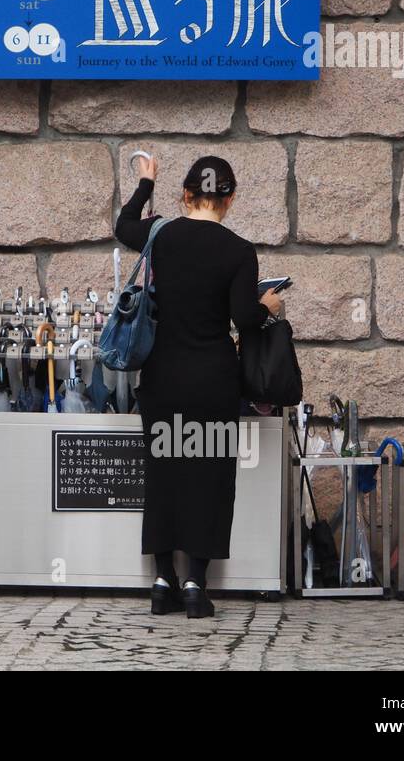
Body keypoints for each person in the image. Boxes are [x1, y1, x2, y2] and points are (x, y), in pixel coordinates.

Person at [114, 155, 282, 619]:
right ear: (228, 199)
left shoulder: (160, 234)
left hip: (162, 380)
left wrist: (146, 181)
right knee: (208, 477)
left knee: (164, 474)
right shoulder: (238, 250)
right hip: (212, 383)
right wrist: (268, 304)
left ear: (185, 195)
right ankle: (195, 585)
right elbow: (244, 320)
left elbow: (123, 224)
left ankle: (162, 580)